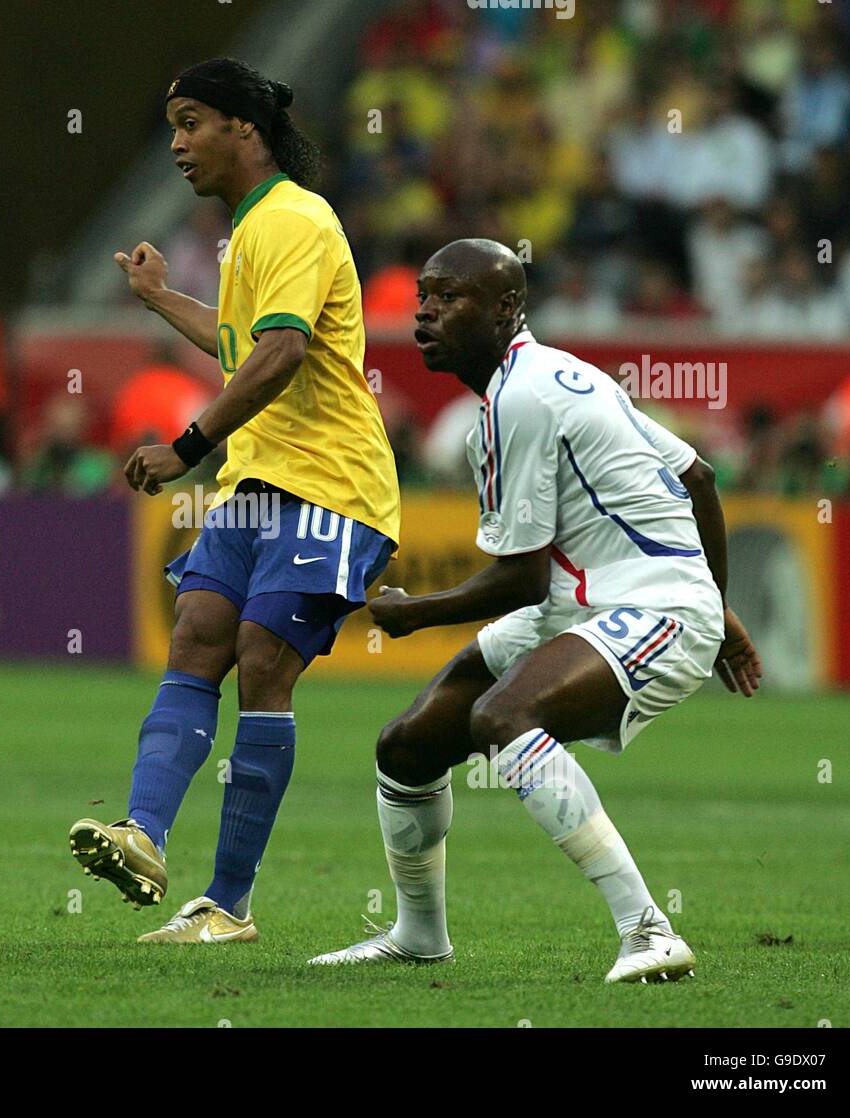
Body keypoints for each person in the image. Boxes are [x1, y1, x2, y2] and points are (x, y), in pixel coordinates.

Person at [309, 239, 762, 983]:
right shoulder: (556, 376)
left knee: (503, 717)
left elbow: (519, 579)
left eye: (449, 297)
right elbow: (698, 477)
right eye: (423, 297)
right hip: (584, 602)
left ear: (506, 308)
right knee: (409, 746)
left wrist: (413, 613)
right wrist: (720, 602)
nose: (425, 313)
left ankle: (648, 929)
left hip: (651, 605)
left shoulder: (521, 398)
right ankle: (418, 936)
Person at [68, 57, 401, 945]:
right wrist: (159, 300)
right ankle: (142, 835)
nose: (177, 145)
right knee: (197, 634)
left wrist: (185, 447)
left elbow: (281, 354)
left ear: (242, 127)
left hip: (330, 484)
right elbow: (242, 346)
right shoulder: (253, 228)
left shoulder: (293, 218)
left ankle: (228, 904)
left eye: (190, 123)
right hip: (256, 483)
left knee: (261, 658)